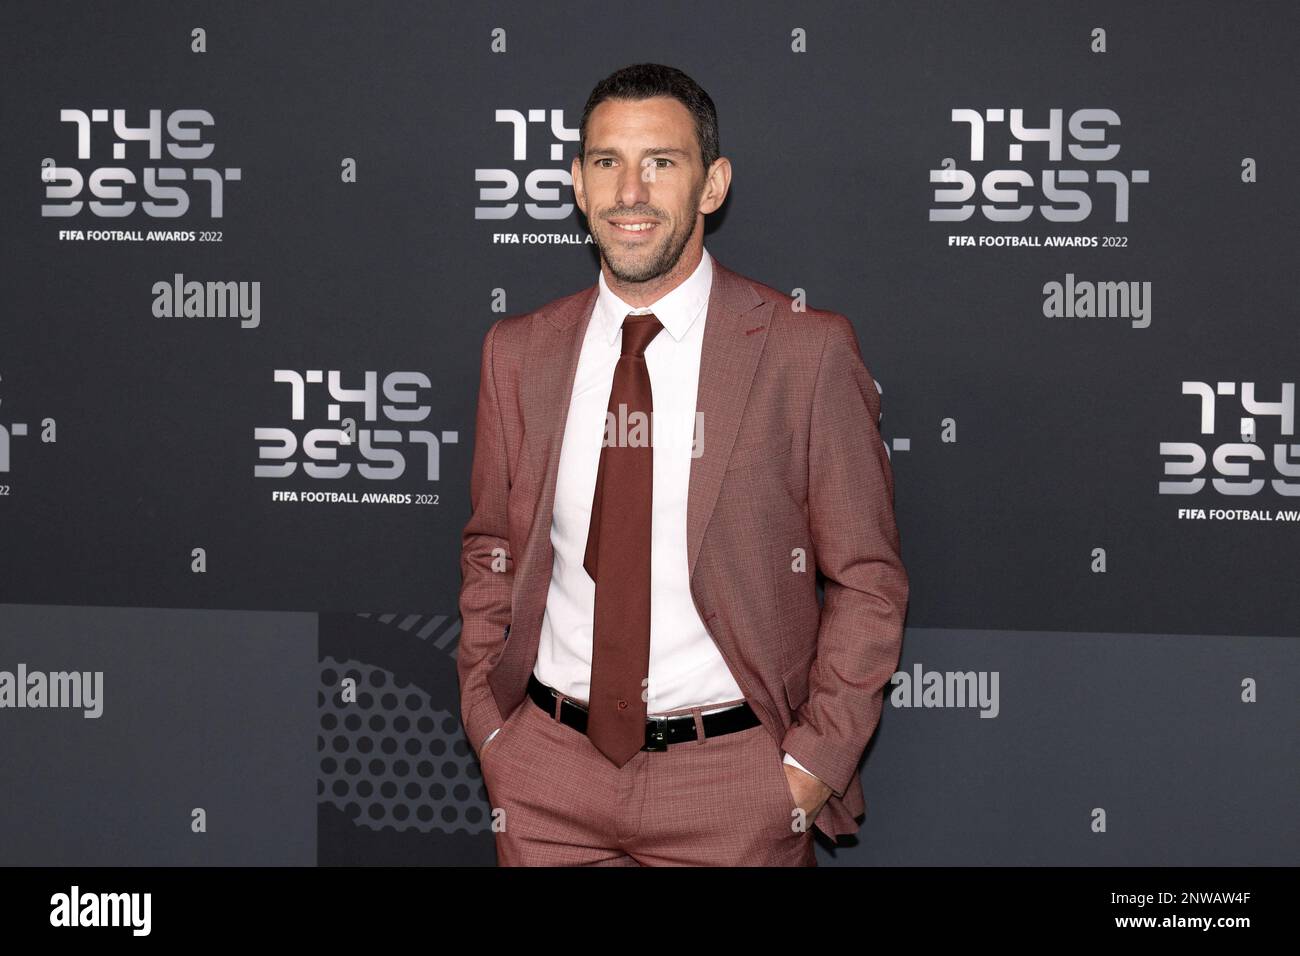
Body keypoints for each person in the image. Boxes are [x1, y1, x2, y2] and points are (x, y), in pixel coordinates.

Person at [457, 63, 908, 866]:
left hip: (735, 788)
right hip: (546, 780)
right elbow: (491, 547)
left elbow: (868, 578)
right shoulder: (517, 354)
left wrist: (808, 769)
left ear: (713, 184)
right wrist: (493, 731)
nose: (630, 191)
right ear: (577, 184)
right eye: (607, 163)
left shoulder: (803, 352)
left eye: (660, 162)